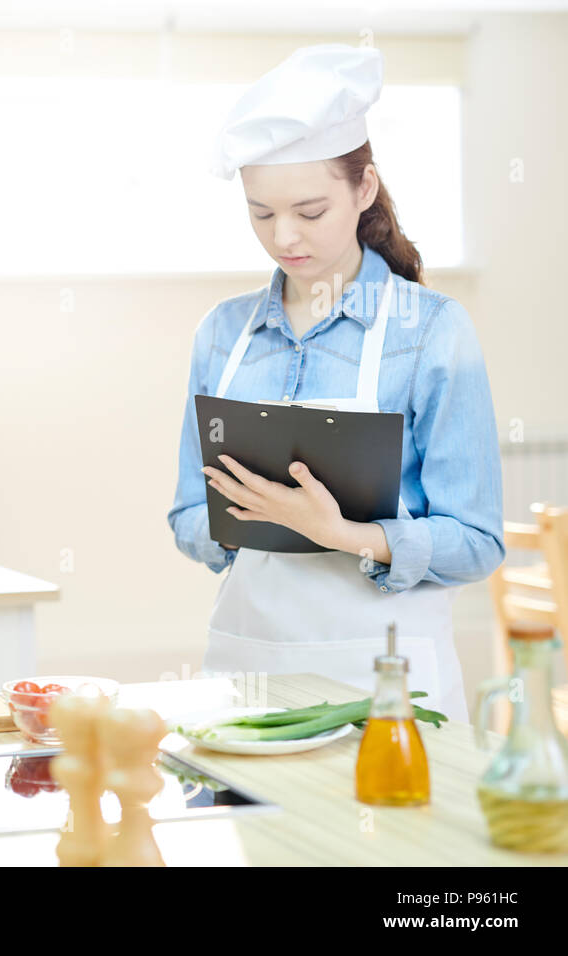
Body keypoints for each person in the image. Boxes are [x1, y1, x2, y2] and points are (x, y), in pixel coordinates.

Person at [167, 45, 504, 722]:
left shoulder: (432, 330)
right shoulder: (223, 334)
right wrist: (241, 520)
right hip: (250, 677)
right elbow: (186, 519)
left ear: (364, 189)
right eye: (261, 213)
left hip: (385, 682)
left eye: (310, 211)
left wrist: (346, 533)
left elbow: (478, 541)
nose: (284, 236)